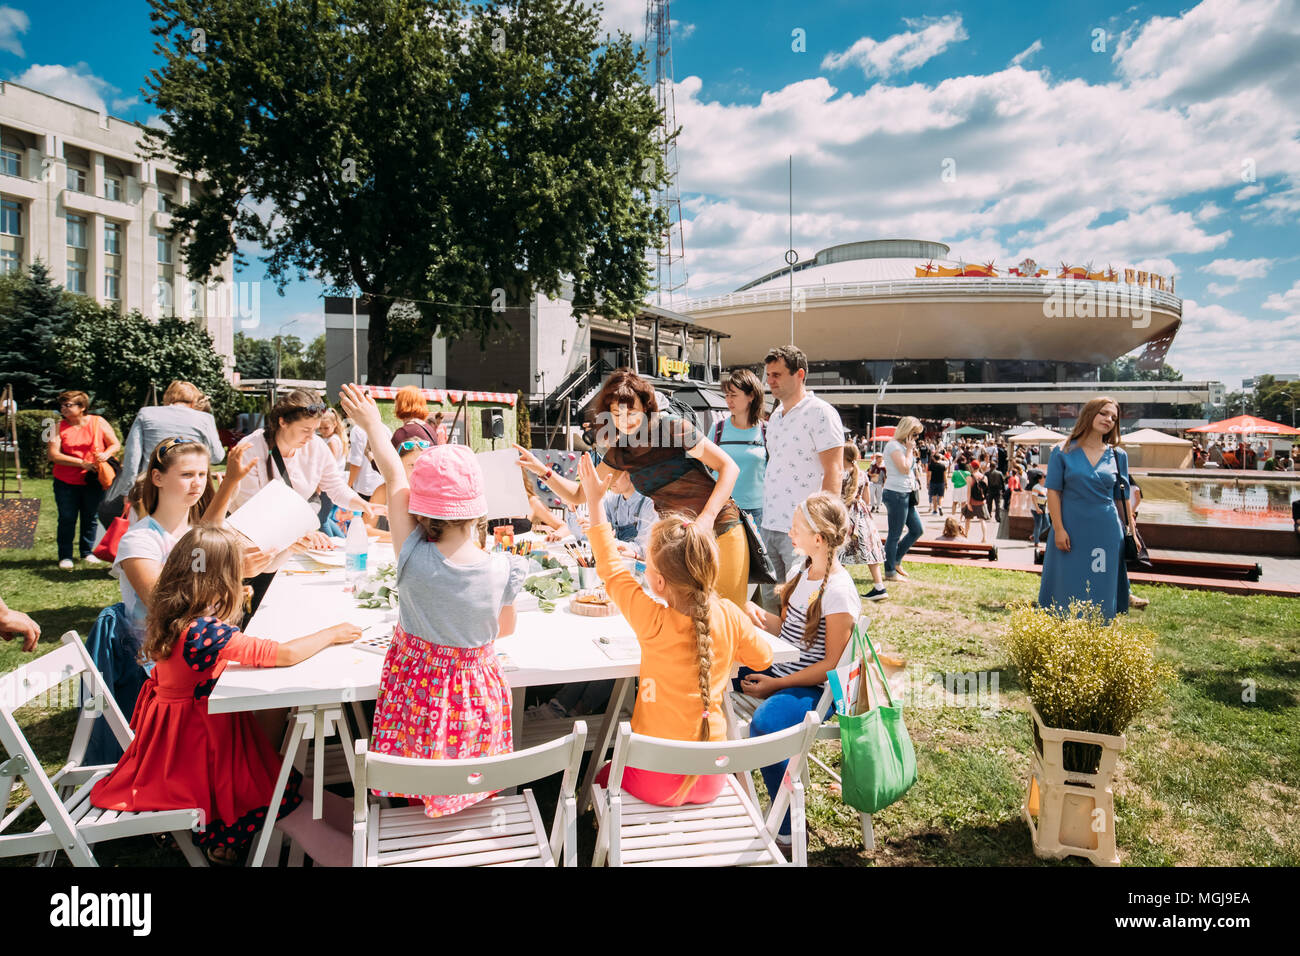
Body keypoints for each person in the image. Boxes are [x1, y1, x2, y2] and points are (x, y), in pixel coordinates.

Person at [88, 525, 361, 865]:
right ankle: (365, 853)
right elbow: (284, 654)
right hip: (203, 763)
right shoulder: (203, 632)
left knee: (294, 789)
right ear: (221, 580)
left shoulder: (174, 617)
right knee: (291, 809)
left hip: (190, 750)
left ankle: (370, 836)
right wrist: (332, 633)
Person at [340, 383, 527, 818]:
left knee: (416, 771)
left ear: (421, 513)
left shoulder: (412, 557)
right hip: (478, 692)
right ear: (480, 511)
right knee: (469, 772)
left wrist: (371, 424)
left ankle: (416, 819)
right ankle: (462, 820)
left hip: (416, 691)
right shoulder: (504, 568)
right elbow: (506, 630)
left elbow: (394, 476)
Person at [574, 454, 774, 807]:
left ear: (659, 582)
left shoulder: (653, 620)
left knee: (602, 774)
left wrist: (594, 502)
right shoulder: (729, 614)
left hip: (654, 778)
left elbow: (609, 567)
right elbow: (763, 657)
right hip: (711, 778)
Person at [513, 368, 750, 605]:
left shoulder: (672, 429)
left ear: (646, 407)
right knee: (690, 626)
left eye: (631, 411)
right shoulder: (622, 451)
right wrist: (541, 470)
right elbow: (579, 495)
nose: (624, 420)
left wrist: (706, 519)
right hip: (683, 545)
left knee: (729, 620)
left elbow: (729, 467)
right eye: (616, 413)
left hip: (721, 531)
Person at [741, 491, 861, 844]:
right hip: (784, 672)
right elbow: (790, 631)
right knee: (712, 674)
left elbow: (830, 667)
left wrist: (774, 686)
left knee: (764, 726)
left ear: (819, 539)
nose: (789, 533)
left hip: (813, 690)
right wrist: (759, 618)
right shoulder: (802, 570)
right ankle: (724, 788)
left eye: (796, 528)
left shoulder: (838, 590)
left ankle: (789, 825)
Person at [229, 389, 372, 612]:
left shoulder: (316, 448)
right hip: (250, 551)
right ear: (282, 422)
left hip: (288, 546)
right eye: (305, 430)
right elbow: (251, 509)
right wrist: (300, 530)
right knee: (248, 611)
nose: (311, 437)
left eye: (315, 430)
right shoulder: (251, 449)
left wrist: (362, 504)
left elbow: (334, 486)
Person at [760, 346, 845, 605]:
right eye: (768, 375)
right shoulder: (775, 416)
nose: (770, 381)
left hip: (805, 529)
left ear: (799, 374)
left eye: (777, 375)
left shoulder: (821, 413)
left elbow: (835, 469)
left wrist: (824, 525)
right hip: (770, 524)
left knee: (801, 606)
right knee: (770, 603)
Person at [1038, 397, 1133, 620]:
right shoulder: (1062, 451)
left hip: (1106, 530)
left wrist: (1132, 531)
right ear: (1089, 414)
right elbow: (1053, 491)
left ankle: (1099, 628)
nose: (1108, 419)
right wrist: (1058, 529)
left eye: (1113, 417)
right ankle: (1063, 628)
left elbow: (1122, 497)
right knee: (1067, 580)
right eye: (1103, 413)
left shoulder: (1119, 456)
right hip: (1070, 527)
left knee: (1102, 580)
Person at [107, 381, 225, 501]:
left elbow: (132, 458)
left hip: (150, 488)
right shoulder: (205, 419)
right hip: (190, 490)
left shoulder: (146, 414)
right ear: (194, 401)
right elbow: (217, 457)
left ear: (167, 398)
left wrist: (128, 490)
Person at [47, 390, 120, 569]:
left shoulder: (98, 422)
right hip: (65, 481)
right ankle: (65, 555)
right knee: (67, 517)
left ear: (82, 407)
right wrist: (81, 463)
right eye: (62, 405)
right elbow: (53, 455)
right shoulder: (54, 426)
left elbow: (115, 444)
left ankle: (87, 552)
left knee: (91, 516)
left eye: (68, 405)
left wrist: (105, 454)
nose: (63, 408)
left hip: (93, 480)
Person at [711, 368, 767, 528]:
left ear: (751, 395)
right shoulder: (717, 429)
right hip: (723, 509)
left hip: (757, 512)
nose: (728, 400)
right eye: (726, 395)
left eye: (734, 395)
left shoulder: (766, 431)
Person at [839, 444, 887, 601]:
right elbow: (867, 500)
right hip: (861, 514)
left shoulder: (839, 475)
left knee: (839, 551)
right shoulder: (862, 475)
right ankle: (879, 586)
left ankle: (836, 586)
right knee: (869, 550)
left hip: (845, 514)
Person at [882, 416, 924, 581]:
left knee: (917, 529)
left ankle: (896, 560)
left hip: (906, 492)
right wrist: (909, 450)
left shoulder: (901, 446)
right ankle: (890, 570)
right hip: (896, 493)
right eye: (914, 434)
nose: (916, 438)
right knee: (895, 534)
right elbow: (904, 469)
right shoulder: (894, 446)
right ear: (907, 432)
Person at [388, 386, 439, 451]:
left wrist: (370, 455)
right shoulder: (429, 429)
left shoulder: (403, 432)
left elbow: (385, 459)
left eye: (397, 402)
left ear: (401, 405)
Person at [963, 460, 991, 543]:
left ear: (971, 467)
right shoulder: (984, 477)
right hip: (981, 501)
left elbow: (968, 492)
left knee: (967, 519)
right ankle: (984, 537)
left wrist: (968, 503)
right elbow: (986, 490)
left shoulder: (969, 478)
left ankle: (966, 535)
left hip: (971, 501)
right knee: (982, 520)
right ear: (979, 467)